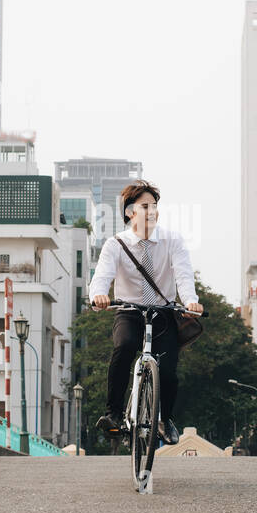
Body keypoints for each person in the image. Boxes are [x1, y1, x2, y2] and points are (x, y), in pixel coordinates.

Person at [89, 179, 203, 446]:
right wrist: (99, 296)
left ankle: (166, 420)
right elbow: (102, 276)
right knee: (125, 347)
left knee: (169, 370)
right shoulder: (115, 244)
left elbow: (184, 275)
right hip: (128, 311)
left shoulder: (172, 240)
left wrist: (191, 301)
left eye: (154, 206)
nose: (152, 211)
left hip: (163, 313)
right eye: (144, 206)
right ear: (130, 212)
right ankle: (114, 414)